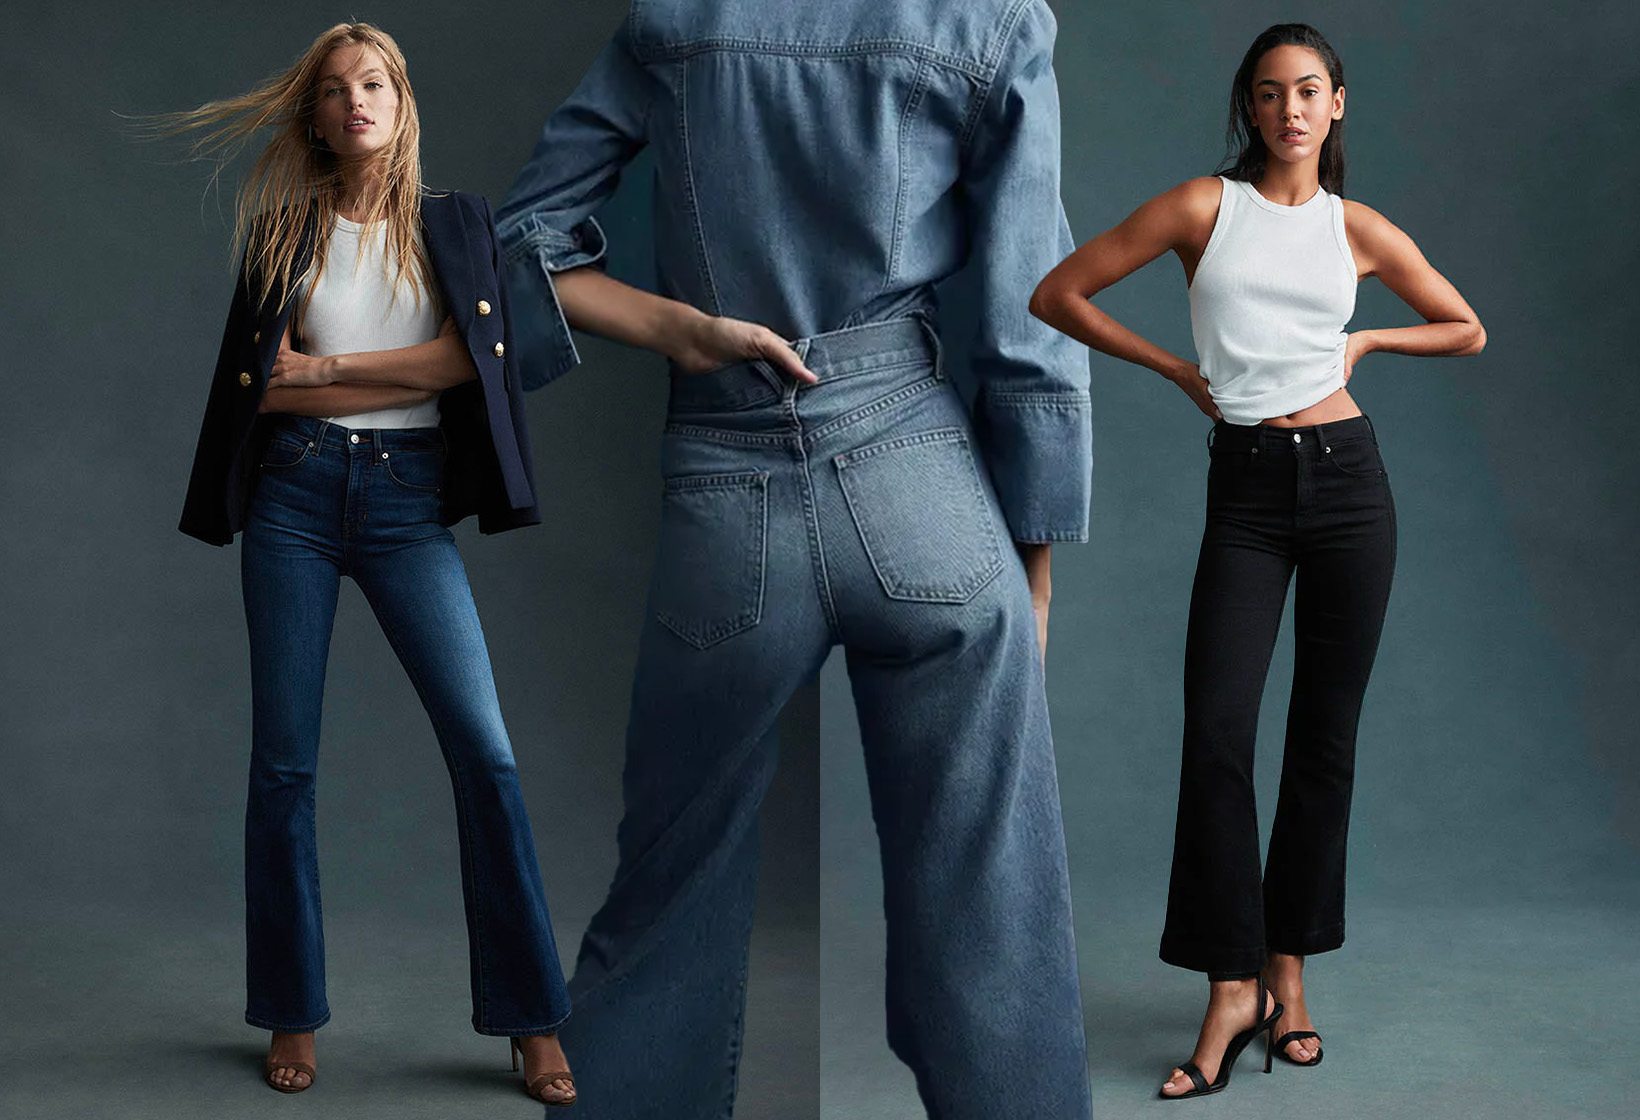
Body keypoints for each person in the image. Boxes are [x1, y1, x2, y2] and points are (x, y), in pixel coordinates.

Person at [495, 0, 1094, 1116]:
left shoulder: (675, 18)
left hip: (723, 487)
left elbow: (520, 243)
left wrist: (681, 329)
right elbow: (1030, 319)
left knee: (668, 887)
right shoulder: (990, 17)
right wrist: (1034, 560)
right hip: (919, 483)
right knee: (987, 902)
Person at [1031, 22, 1484, 1100]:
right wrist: (1177, 371)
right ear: (1249, 107)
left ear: (1336, 107)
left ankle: (1288, 975)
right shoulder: (1201, 208)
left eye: (1308, 91)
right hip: (1243, 486)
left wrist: (1368, 343)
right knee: (1218, 729)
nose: (1288, 109)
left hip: (1347, 481)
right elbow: (1056, 294)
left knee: (1322, 740)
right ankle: (1227, 981)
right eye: (1269, 92)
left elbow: (1462, 327)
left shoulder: (1356, 228)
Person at [169, 22, 576, 1105]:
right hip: (294, 497)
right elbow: (257, 392)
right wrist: (317, 384)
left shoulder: (456, 228)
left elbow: (465, 363)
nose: (358, 101)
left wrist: (328, 367)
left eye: (376, 82)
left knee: (484, 754)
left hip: (406, 504)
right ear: (314, 114)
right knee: (285, 764)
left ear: (401, 101)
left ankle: (533, 1019)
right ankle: (291, 1012)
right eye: (338, 88)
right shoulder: (284, 234)